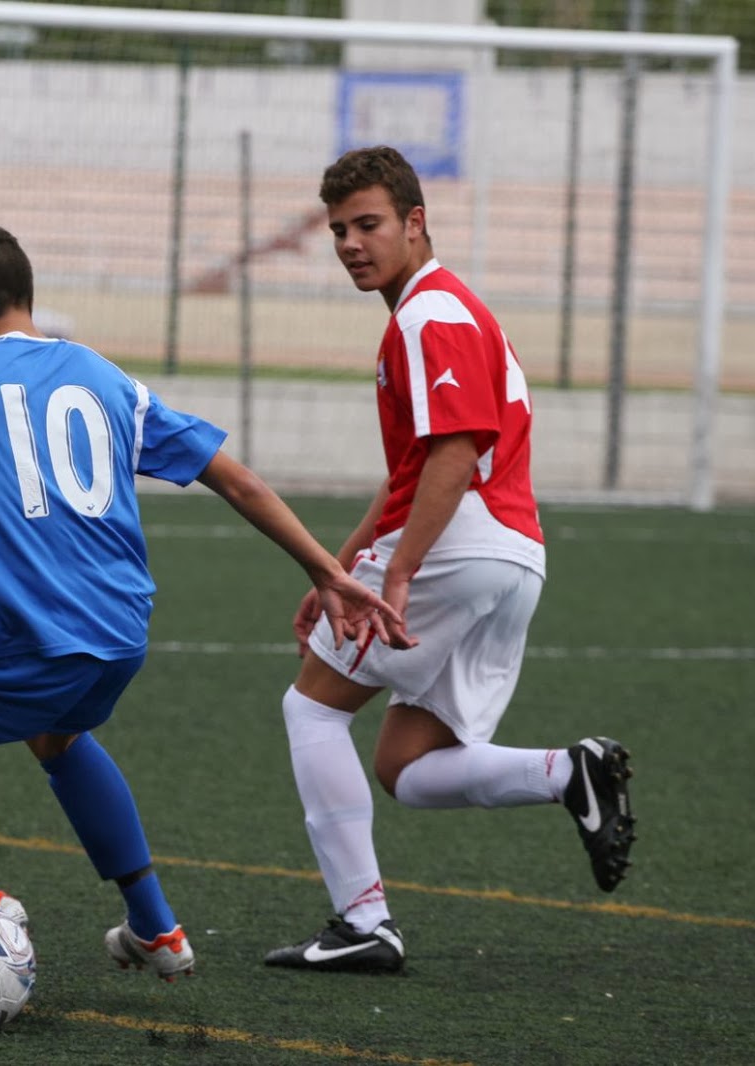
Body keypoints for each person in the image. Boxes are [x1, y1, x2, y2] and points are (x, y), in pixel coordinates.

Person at [0, 223, 404, 999]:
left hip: (23, 638)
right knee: (55, 733)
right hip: (121, 636)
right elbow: (239, 480)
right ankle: (156, 927)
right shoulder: (107, 379)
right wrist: (327, 570)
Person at [262, 147, 637, 976]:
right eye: (338, 230)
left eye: (369, 224)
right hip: (511, 559)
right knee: (407, 766)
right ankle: (566, 772)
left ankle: (363, 923)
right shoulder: (437, 312)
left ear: (415, 221)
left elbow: (459, 451)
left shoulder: (432, 314)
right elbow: (417, 468)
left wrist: (396, 575)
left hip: (458, 546)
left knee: (314, 712)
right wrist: (342, 563)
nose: (352, 243)